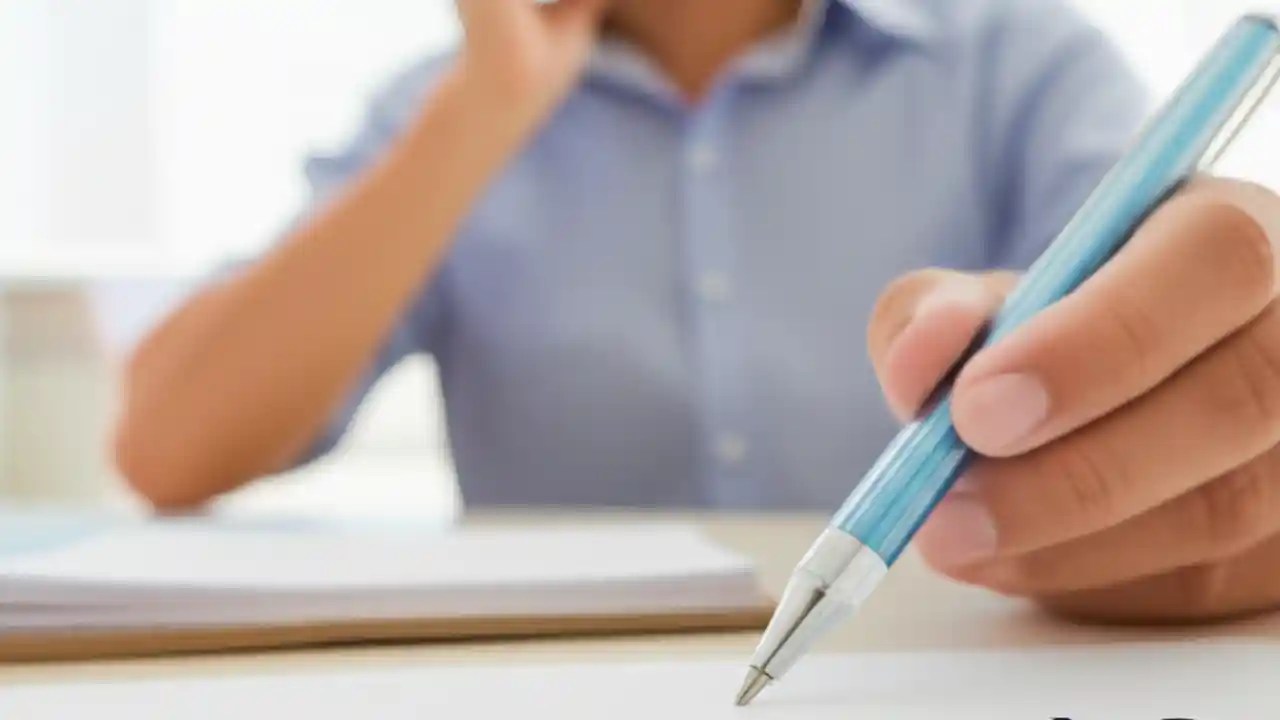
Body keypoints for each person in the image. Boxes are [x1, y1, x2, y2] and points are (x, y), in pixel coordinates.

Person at [115, 0, 1280, 623]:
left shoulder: (1014, 61)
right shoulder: (439, 115)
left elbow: (1171, 310)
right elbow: (166, 448)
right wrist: (483, 107)